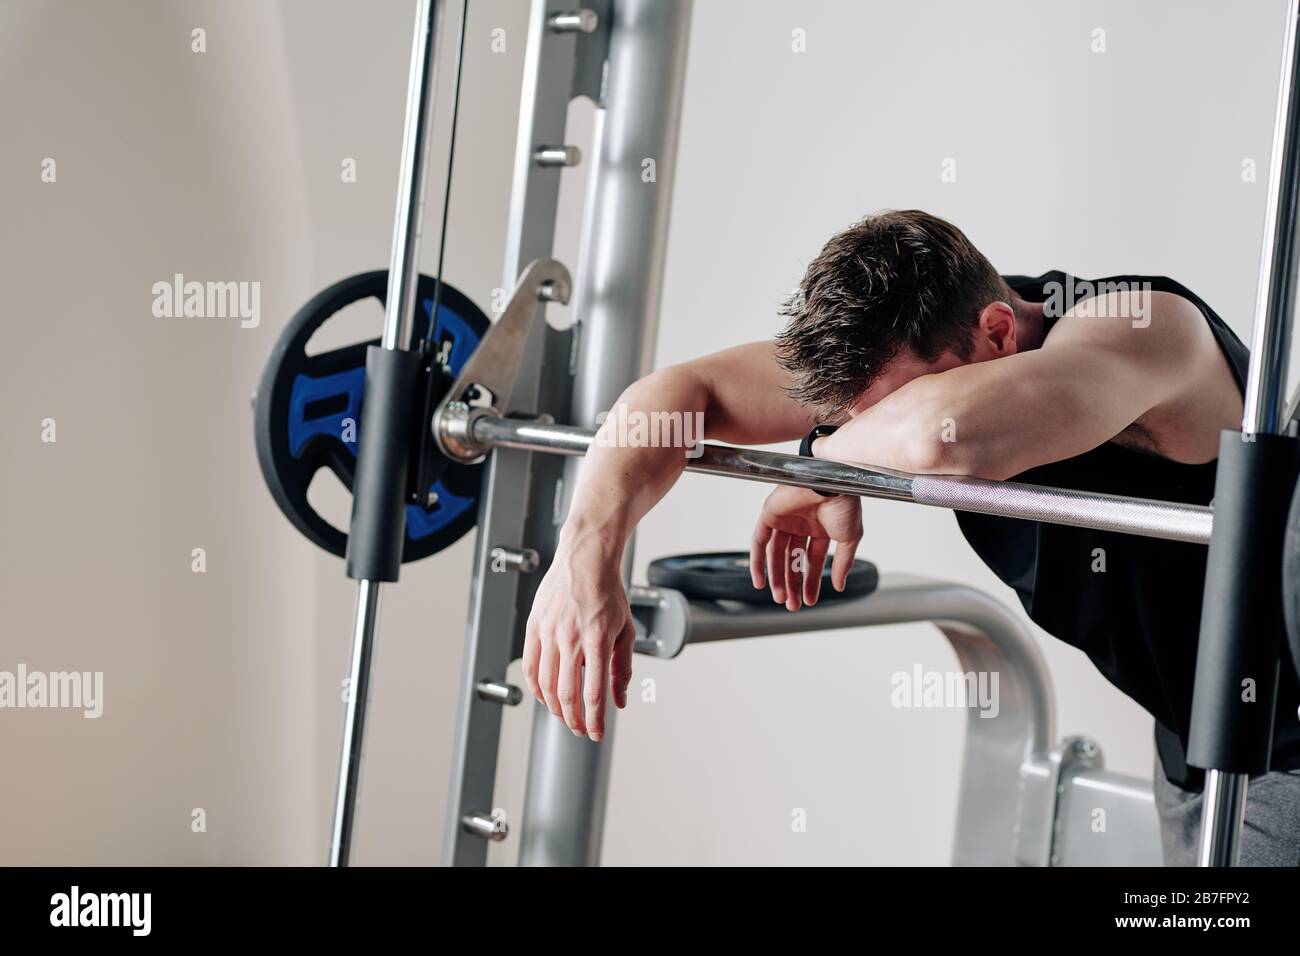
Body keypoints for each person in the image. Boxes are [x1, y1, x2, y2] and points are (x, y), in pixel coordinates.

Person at [522, 209, 1300, 865]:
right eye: (853, 416)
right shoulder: (900, 361)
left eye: (877, 415)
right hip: (1193, 738)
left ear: (998, 333)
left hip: (1286, 748)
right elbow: (673, 398)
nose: (872, 433)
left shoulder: (1144, 330)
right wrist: (584, 554)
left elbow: (939, 436)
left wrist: (822, 464)